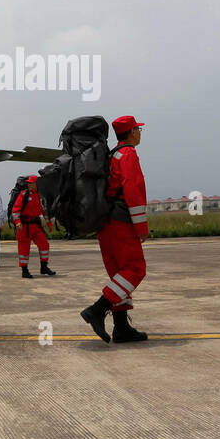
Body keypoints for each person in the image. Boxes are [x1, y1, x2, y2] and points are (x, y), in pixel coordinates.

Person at [80, 116, 149, 344]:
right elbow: (133, 189)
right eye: (138, 129)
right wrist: (141, 226)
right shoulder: (127, 154)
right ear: (131, 132)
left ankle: (121, 328)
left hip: (105, 222)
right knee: (135, 269)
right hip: (120, 222)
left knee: (119, 273)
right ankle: (97, 309)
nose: (140, 132)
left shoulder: (110, 155)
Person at [11, 175, 56, 278]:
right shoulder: (24, 194)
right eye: (28, 183)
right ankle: (24, 270)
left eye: (31, 183)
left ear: (37, 184)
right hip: (24, 226)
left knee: (44, 244)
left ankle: (44, 267)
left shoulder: (41, 196)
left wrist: (49, 223)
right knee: (23, 249)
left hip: (36, 226)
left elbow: (44, 211)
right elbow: (15, 210)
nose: (29, 184)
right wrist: (17, 222)